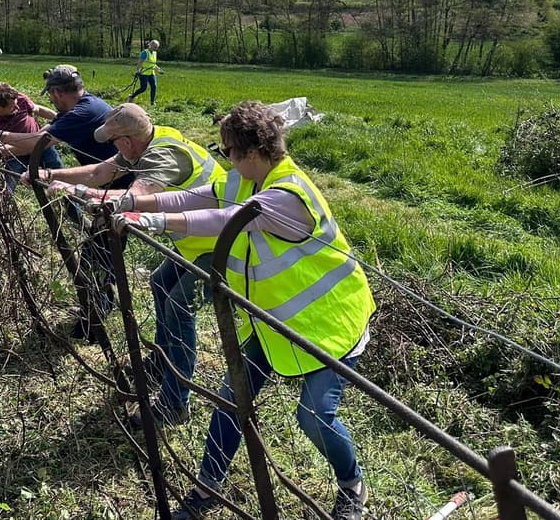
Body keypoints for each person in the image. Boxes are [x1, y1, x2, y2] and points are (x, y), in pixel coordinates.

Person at [119, 101, 376, 520]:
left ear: (250, 152)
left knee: (313, 415)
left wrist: (154, 224)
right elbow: (194, 196)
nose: (225, 159)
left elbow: (224, 219)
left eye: (227, 151)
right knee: (230, 399)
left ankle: (352, 485)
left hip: (330, 321)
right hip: (274, 319)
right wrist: (134, 205)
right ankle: (207, 488)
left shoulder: (288, 195)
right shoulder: (245, 179)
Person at [44, 102, 228, 428]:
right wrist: (48, 174)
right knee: (160, 284)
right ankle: (161, 362)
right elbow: (100, 173)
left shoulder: (160, 157)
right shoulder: (143, 145)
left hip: (227, 245)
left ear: (127, 141)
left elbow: (135, 195)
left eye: (114, 141)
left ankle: (174, 403)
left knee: (178, 306)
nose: (114, 148)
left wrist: (75, 191)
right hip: (199, 241)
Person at [0, 65, 131, 336]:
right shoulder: (84, 108)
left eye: (51, 95)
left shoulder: (83, 113)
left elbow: (35, 142)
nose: (51, 100)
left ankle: (96, 317)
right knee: (98, 252)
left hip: (118, 191)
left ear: (58, 93)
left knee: (98, 255)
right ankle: (97, 309)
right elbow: (40, 140)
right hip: (107, 186)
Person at [128, 39, 161, 106]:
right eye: (155, 47)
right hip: (143, 73)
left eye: (157, 47)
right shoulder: (145, 53)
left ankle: (152, 102)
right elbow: (139, 63)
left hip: (151, 73)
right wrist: (137, 71)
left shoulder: (154, 53)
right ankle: (132, 96)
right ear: (150, 45)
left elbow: (153, 64)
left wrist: (158, 69)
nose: (156, 48)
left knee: (154, 86)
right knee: (143, 88)